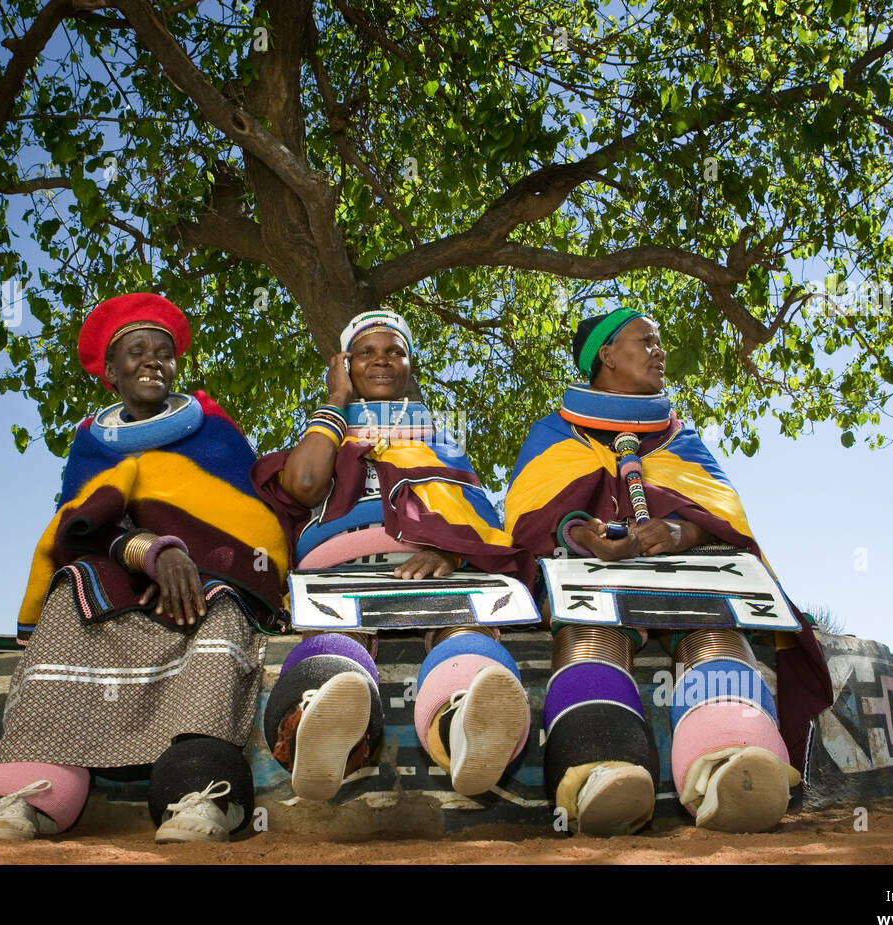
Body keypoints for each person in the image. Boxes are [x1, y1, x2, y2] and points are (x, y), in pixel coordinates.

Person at [504, 305, 834, 835]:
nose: (660, 352)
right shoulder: (552, 432)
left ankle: (729, 765)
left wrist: (685, 532)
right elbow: (527, 514)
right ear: (606, 355)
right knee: (591, 628)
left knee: (714, 630)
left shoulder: (681, 437)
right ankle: (600, 770)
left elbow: (722, 512)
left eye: (659, 343)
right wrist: (580, 532)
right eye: (647, 341)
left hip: (687, 575)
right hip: (591, 574)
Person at [0, 293, 290, 843]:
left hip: (215, 571)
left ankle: (200, 791)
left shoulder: (216, 429)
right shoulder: (90, 443)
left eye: (163, 352)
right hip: (124, 561)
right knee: (74, 590)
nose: (152, 360)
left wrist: (195, 557)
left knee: (221, 606)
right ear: (111, 373)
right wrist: (148, 549)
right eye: (136, 351)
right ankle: (32, 793)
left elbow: (246, 517)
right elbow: (80, 519)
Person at [252, 310, 537, 801]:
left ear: (410, 366)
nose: (382, 361)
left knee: (465, 624)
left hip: (429, 568)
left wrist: (447, 553)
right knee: (336, 632)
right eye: (366, 353)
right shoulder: (326, 432)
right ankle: (316, 724)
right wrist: (335, 401)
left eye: (395, 352)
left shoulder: (441, 441)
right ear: (345, 364)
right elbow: (302, 485)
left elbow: (473, 516)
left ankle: (463, 724)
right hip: (338, 571)